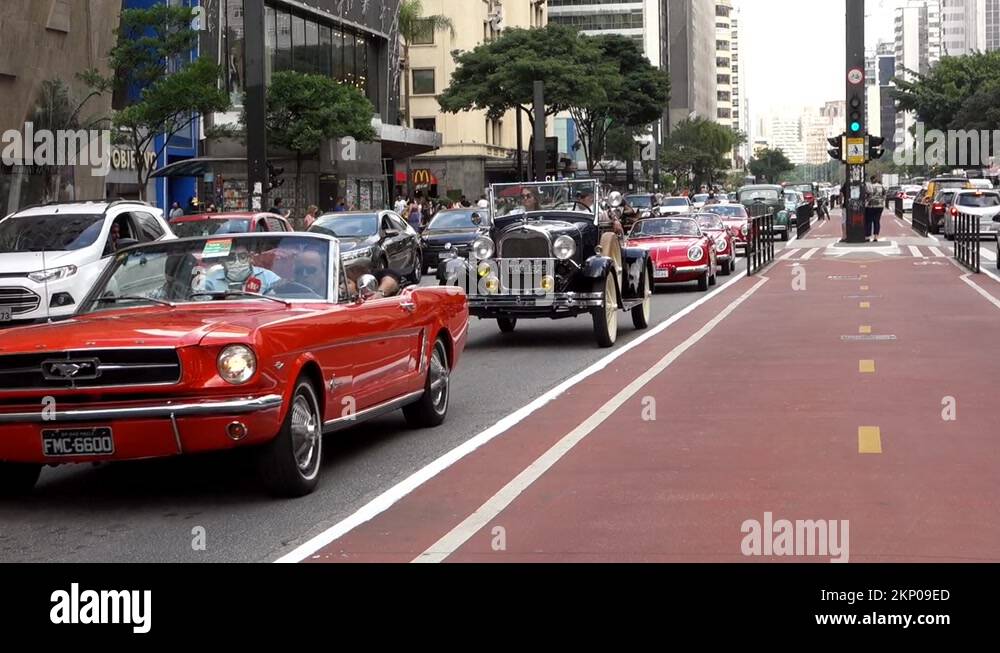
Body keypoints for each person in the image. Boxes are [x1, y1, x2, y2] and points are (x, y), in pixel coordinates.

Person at [200, 242, 283, 295]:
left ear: (250, 258)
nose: (237, 262)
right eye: (231, 258)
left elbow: (284, 300)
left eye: (242, 257)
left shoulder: (268, 277)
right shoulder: (210, 281)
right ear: (222, 261)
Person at [864, 175, 885, 242]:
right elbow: (884, 195)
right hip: (880, 206)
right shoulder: (881, 186)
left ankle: (867, 236)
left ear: (871, 180)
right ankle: (876, 237)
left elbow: (867, 195)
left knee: (869, 221)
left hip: (871, 206)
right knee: (877, 221)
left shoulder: (869, 186)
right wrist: (881, 201)